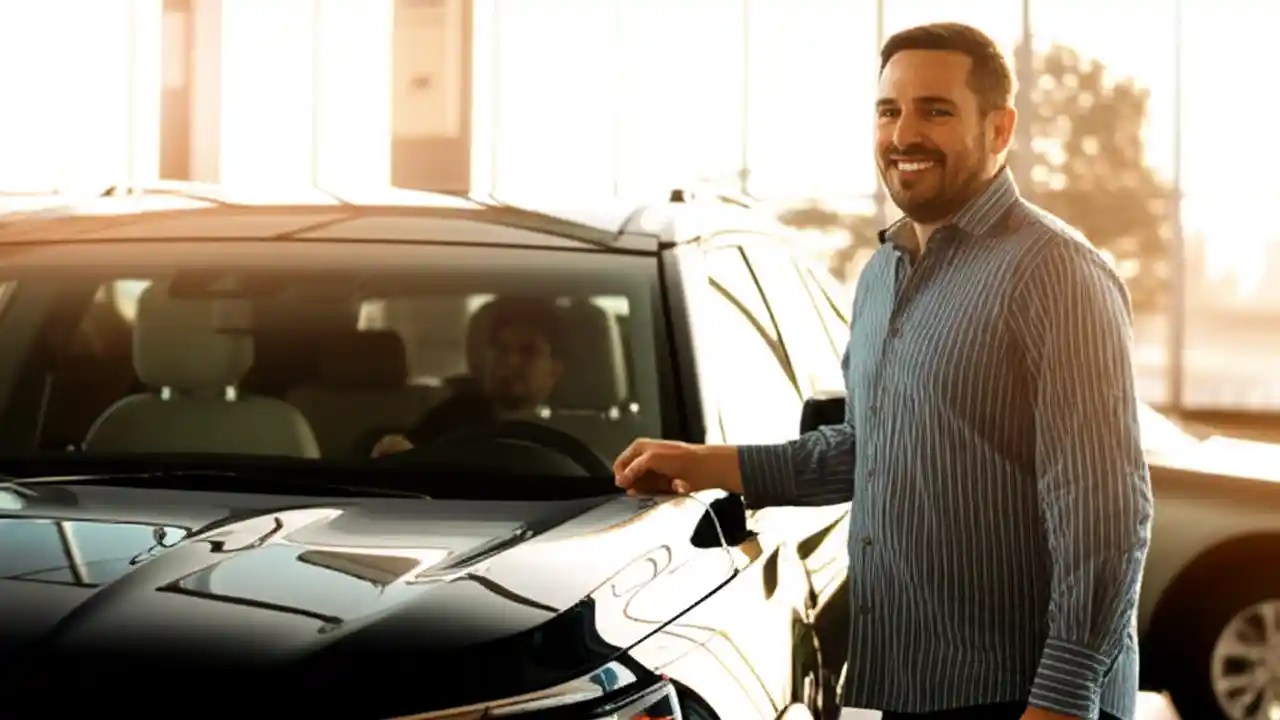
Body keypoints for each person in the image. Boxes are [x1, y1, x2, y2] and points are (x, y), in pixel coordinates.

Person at [613, 22, 1152, 720]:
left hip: (1024, 697)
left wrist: (1062, 700)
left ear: (999, 128)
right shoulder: (881, 276)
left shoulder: (1056, 273)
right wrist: (705, 463)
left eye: (936, 109)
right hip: (917, 684)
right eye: (889, 110)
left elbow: (1106, 512)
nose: (904, 134)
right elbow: (867, 453)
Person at [371, 296, 566, 457]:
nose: (510, 361)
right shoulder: (449, 419)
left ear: (555, 369)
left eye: (528, 352)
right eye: (501, 349)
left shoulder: (579, 432)